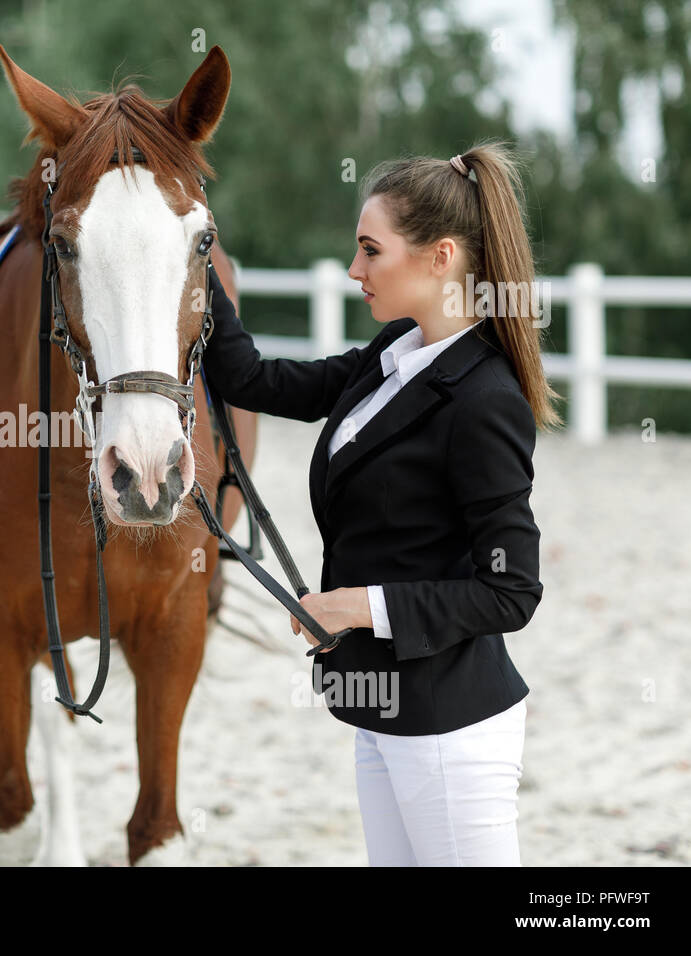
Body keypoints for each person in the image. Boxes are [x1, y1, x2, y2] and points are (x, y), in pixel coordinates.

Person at [199, 140, 561, 866]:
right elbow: (256, 381)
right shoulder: (393, 352)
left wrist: (356, 606)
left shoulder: (485, 401)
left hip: (452, 730)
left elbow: (511, 591)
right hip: (383, 713)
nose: (354, 270)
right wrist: (190, 250)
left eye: (370, 250)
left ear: (440, 257)